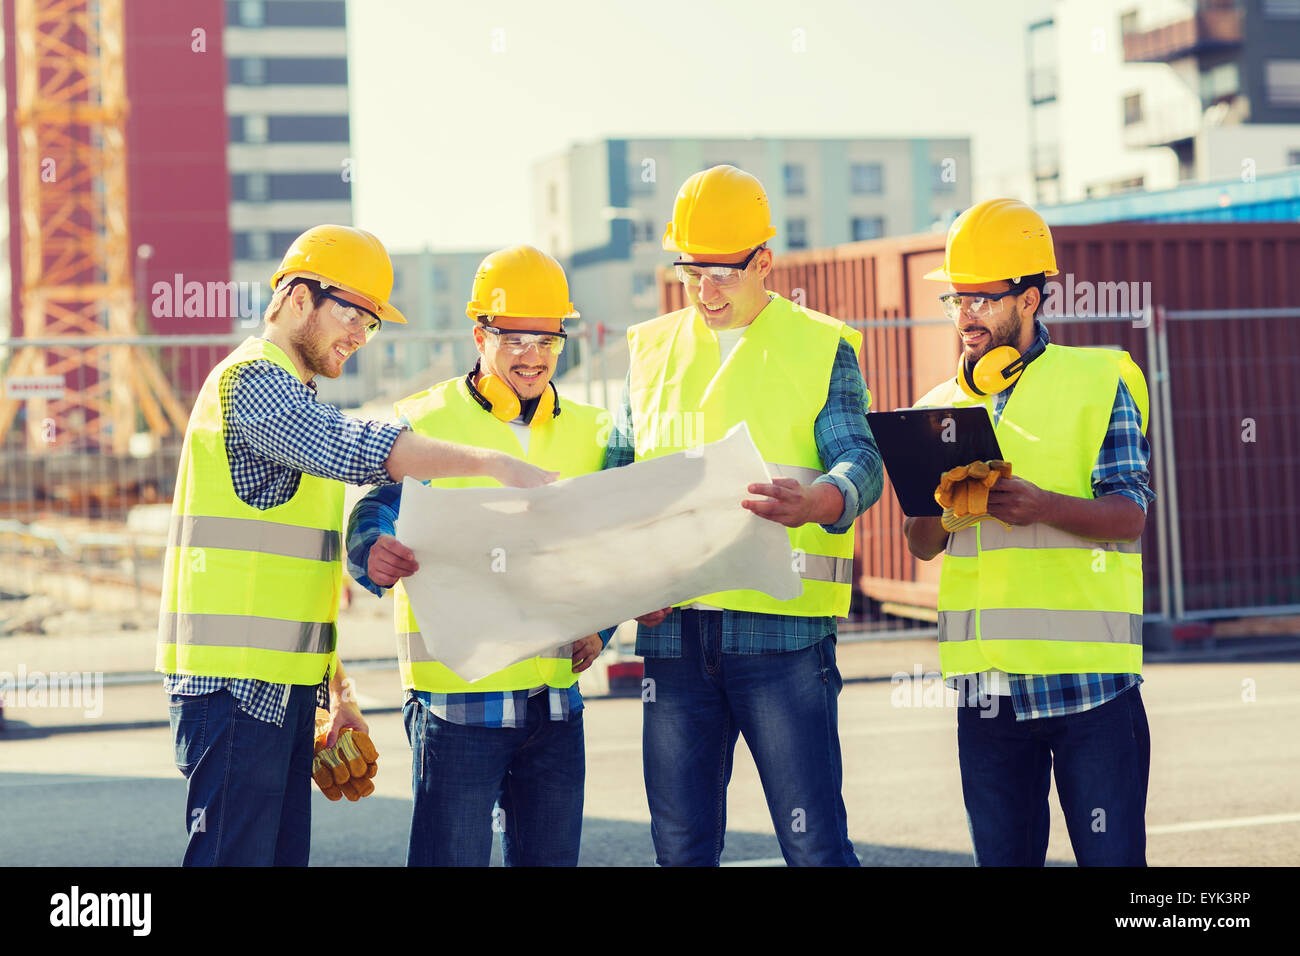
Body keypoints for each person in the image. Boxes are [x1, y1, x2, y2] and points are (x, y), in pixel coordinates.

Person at [159, 225, 556, 867]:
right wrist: (489, 461)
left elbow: (289, 579)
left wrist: (334, 692)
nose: (359, 336)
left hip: (273, 687)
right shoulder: (254, 381)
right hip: (232, 688)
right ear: (295, 299)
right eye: (353, 313)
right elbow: (358, 448)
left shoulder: (294, 395)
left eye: (371, 325)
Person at [606, 165, 883, 866]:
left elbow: (861, 459)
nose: (705, 291)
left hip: (782, 639)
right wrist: (617, 593)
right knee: (681, 850)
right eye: (691, 272)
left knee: (814, 844)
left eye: (723, 273)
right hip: (671, 643)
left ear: (764, 263)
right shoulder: (649, 351)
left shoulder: (822, 345)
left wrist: (819, 500)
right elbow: (614, 484)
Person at [904, 198, 1154, 866]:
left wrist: (1043, 505)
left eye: (984, 300)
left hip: (1090, 687)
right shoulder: (936, 409)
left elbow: (1131, 516)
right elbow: (921, 544)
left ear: (1032, 298)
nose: (966, 316)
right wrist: (945, 507)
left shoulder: (1099, 382)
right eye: (957, 299)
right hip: (986, 697)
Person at [346, 244, 615, 866]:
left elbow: (611, 544)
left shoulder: (591, 432)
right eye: (514, 338)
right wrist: (372, 550)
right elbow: (372, 509)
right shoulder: (424, 418)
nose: (532, 356)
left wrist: (602, 626)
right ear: (479, 334)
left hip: (554, 704)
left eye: (547, 340)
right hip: (457, 704)